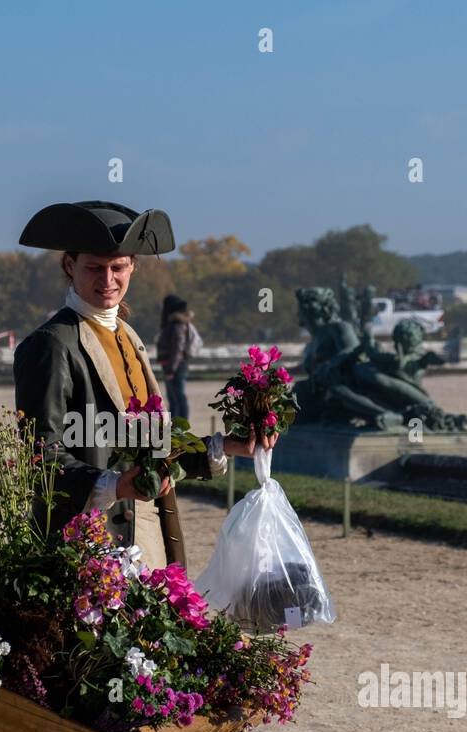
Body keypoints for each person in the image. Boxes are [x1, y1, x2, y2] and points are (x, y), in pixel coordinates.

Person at [14, 200, 275, 570]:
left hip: (146, 536)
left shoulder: (129, 336)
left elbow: (152, 448)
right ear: (70, 266)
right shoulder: (51, 343)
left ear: (132, 267)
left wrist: (228, 445)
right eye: (95, 268)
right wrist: (114, 485)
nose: (108, 281)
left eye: (118, 267)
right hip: (86, 545)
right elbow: (40, 454)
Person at [155, 294, 194, 423]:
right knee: (174, 397)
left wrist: (171, 369)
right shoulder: (175, 323)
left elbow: (177, 348)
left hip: (175, 365)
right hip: (173, 364)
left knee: (178, 397)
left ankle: (180, 424)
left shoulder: (177, 324)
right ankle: (175, 424)